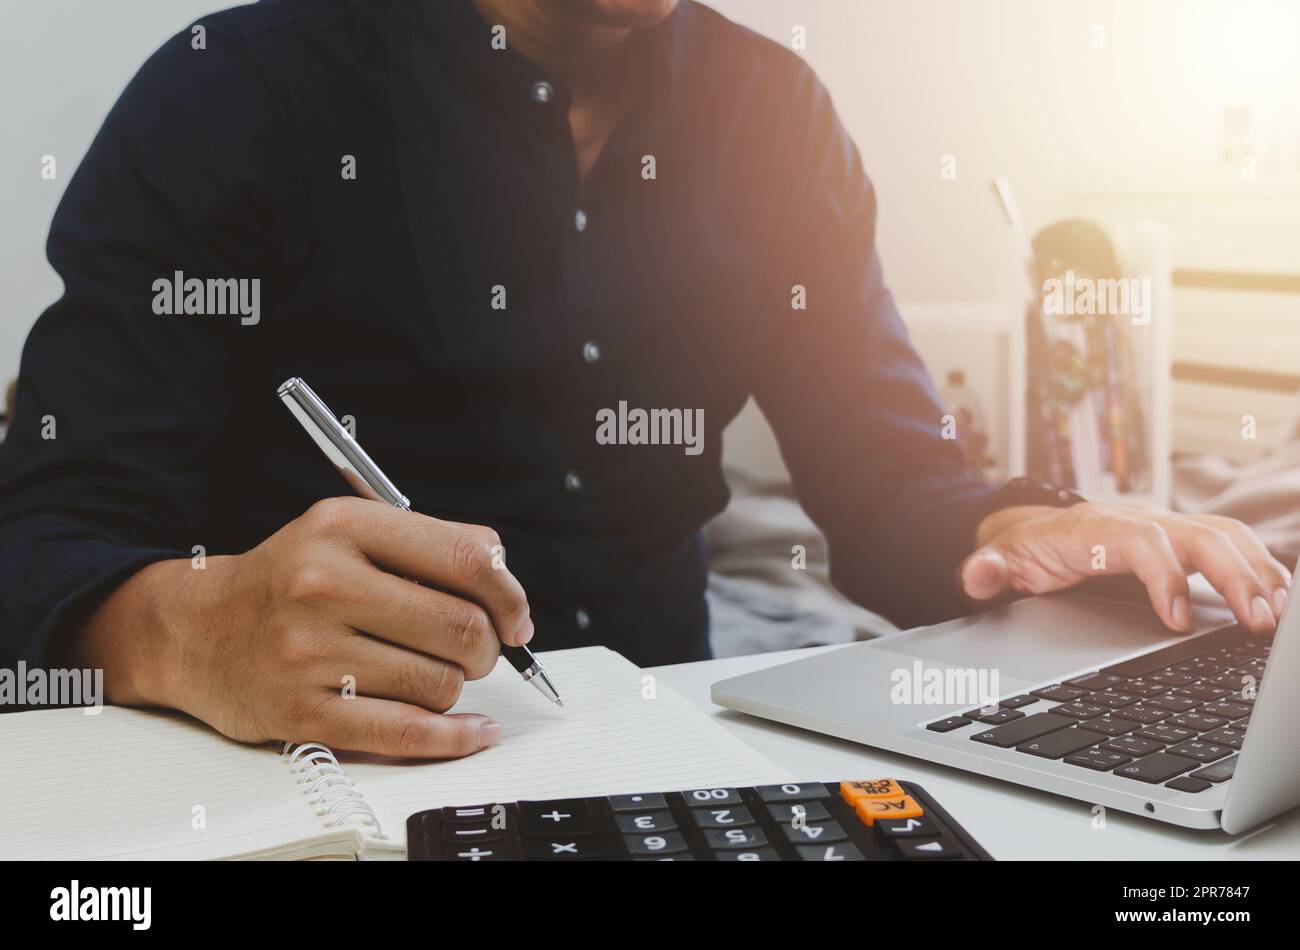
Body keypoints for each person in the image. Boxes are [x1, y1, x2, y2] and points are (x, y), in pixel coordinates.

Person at [0, 0, 1288, 759]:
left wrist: (1027, 528)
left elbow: (889, 470)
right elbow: (44, 536)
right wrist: (189, 628)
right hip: (319, 760)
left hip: (667, 743)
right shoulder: (231, 92)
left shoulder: (778, 115)